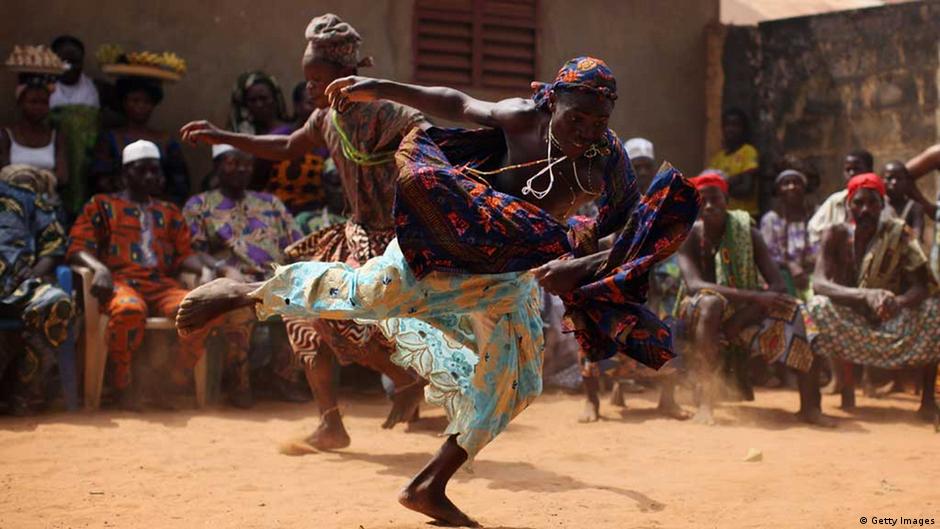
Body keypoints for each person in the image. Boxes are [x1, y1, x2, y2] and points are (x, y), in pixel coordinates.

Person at [177, 55, 697, 526]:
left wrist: (579, 263)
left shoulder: (607, 161)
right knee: (366, 296)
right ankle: (246, 292)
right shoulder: (521, 118)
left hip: (505, 277)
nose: (585, 131)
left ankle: (429, 485)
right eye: (575, 118)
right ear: (551, 103)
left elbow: (635, 234)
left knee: (519, 382)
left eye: (598, 122)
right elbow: (454, 101)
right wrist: (377, 86)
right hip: (446, 244)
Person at [180, 13, 430, 451]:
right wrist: (223, 135)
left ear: (346, 76)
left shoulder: (387, 114)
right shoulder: (326, 120)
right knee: (301, 314)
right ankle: (331, 422)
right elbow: (286, 147)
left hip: (393, 242)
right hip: (354, 235)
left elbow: (429, 132)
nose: (310, 89)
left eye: (318, 79)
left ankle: (405, 380)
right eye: (307, 80)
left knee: (333, 313)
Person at [67, 140, 248, 409]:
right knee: (129, 310)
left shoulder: (169, 212)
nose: (152, 176)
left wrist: (213, 269)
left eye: (155, 170)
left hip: (161, 284)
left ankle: (167, 381)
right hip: (120, 282)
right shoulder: (102, 206)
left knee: (202, 310)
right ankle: (122, 386)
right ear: (125, 174)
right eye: (143, 170)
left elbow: (185, 256)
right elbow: (76, 248)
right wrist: (99, 268)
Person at [675, 173, 830, 426]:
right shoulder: (688, 235)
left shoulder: (748, 232)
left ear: (726, 200)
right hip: (698, 311)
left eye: (715, 199)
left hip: (746, 312)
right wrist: (755, 297)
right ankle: (705, 402)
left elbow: (777, 283)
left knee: (797, 310)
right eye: (702, 201)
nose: (709, 206)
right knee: (711, 302)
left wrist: (743, 315)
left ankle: (811, 406)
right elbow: (694, 285)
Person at [808, 172, 940, 421]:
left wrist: (896, 302)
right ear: (849, 205)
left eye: (872, 203)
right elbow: (819, 283)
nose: (865, 209)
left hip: (889, 317)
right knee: (815, 308)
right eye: (858, 203)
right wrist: (866, 295)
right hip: (847, 317)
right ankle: (813, 405)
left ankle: (928, 403)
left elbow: (922, 287)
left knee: (935, 310)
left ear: (882, 205)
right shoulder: (834, 233)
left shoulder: (899, 233)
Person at [183, 144, 305, 401]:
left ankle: (285, 378)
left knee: (300, 303)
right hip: (233, 280)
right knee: (235, 307)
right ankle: (238, 384)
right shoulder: (199, 205)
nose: (241, 168)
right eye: (233, 162)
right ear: (217, 166)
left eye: (247, 163)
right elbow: (192, 251)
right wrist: (220, 269)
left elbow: (296, 243)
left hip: (275, 277)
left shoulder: (270, 203)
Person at [0, 165, 75, 415]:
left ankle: (22, 391)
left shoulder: (36, 205)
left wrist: (35, 271)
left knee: (58, 304)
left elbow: (54, 245)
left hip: (21, 287)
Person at [91, 76, 189, 204]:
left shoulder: (166, 140)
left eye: (147, 102)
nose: (140, 106)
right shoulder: (110, 138)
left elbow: (180, 183)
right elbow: (100, 180)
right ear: (124, 102)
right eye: (135, 101)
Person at [49, 35, 101, 217]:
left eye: (75, 61)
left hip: (86, 158)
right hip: (58, 157)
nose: (69, 67)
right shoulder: (45, 87)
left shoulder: (94, 88)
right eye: (64, 61)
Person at [808, 149, 897, 245]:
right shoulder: (835, 200)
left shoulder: (881, 202)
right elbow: (814, 231)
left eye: (856, 169)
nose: (851, 173)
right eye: (848, 170)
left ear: (869, 170)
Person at [1, 75, 68, 188]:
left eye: (44, 102)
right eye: (33, 102)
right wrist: (44, 178)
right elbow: (3, 174)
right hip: (13, 202)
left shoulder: (56, 136)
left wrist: (29, 179)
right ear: (20, 103)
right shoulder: (6, 135)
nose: (39, 107)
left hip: (47, 202)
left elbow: (63, 177)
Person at [759, 169, 817, 300]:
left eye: (796, 182)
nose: (792, 187)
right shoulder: (771, 220)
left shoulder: (816, 215)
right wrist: (791, 265)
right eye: (786, 183)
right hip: (783, 275)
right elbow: (768, 254)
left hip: (813, 273)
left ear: (804, 188)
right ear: (778, 190)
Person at [707, 108, 760, 216]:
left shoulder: (748, 152)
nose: (730, 129)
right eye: (727, 125)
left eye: (735, 125)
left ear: (743, 129)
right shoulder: (718, 158)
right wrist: (735, 179)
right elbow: (708, 189)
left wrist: (722, 186)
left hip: (743, 216)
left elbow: (746, 188)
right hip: (721, 217)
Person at [883, 160, 925, 240]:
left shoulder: (914, 208)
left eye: (899, 178)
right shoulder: (877, 205)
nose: (894, 182)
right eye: (889, 178)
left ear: (907, 182)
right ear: (881, 181)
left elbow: (917, 237)